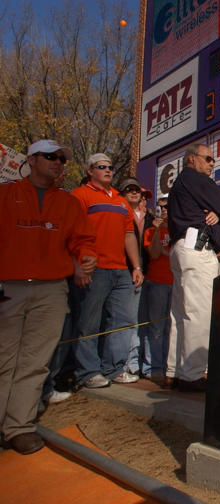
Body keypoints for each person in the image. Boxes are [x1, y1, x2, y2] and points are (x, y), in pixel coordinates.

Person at [0, 139, 97, 454]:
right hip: (9, 286)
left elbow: (82, 239)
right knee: (3, 359)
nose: (58, 163)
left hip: (53, 290)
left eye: (62, 159)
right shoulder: (6, 194)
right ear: (31, 159)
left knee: (36, 362)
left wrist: (86, 255)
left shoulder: (69, 203)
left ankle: (18, 427)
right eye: (51, 157)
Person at [70, 154, 144, 388]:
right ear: (90, 171)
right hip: (93, 269)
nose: (108, 170)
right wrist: (77, 266)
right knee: (89, 323)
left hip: (121, 271)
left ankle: (113, 369)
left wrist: (136, 266)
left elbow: (129, 235)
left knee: (123, 321)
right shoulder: (79, 195)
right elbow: (70, 233)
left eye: (111, 167)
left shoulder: (121, 202)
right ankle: (88, 372)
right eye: (102, 167)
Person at [166, 144, 220, 392]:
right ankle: (192, 374)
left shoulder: (182, 183)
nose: (212, 163)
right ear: (192, 159)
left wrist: (214, 212)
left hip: (183, 247)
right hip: (196, 249)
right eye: (208, 158)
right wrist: (218, 212)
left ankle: (175, 371)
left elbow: (219, 212)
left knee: (181, 314)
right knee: (199, 313)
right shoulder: (194, 177)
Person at [119, 176, 154, 377]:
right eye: (131, 190)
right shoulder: (121, 213)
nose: (139, 197)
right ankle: (126, 364)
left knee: (143, 321)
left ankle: (140, 364)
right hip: (125, 270)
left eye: (141, 194)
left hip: (147, 272)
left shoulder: (150, 219)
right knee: (127, 319)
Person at [139, 197, 173, 381]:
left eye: (168, 207)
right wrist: (159, 229)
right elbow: (154, 253)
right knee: (156, 327)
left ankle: (168, 365)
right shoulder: (151, 230)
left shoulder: (178, 229)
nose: (165, 210)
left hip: (174, 283)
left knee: (170, 327)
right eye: (161, 208)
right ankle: (152, 367)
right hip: (157, 282)